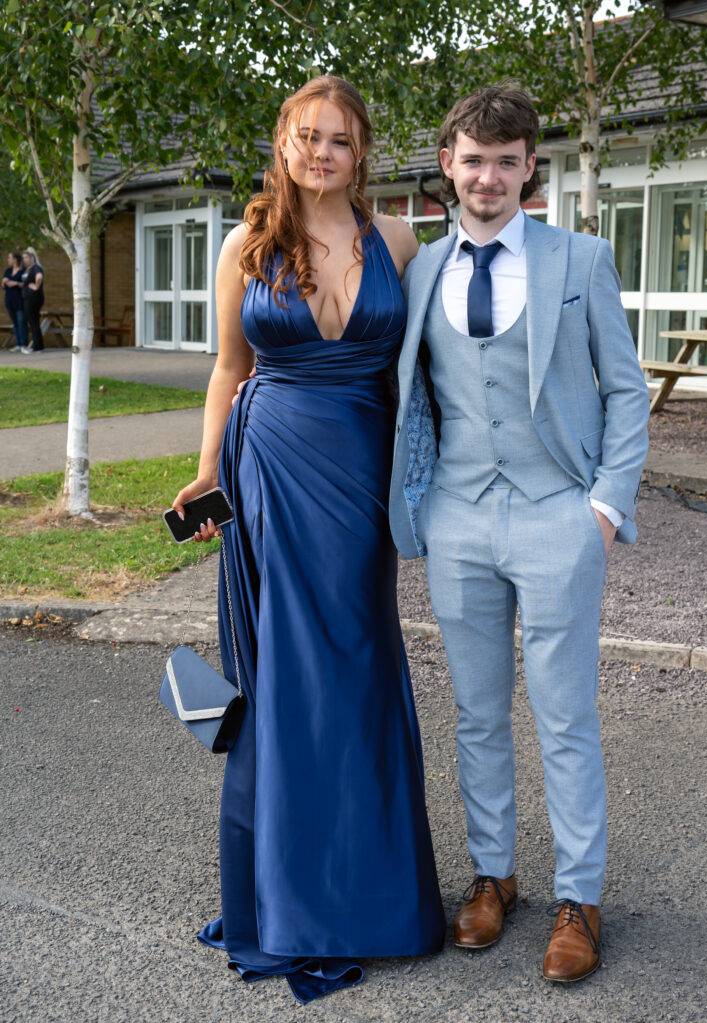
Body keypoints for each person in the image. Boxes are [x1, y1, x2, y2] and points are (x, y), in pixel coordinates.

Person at [172, 76, 445, 1004]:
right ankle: (292, 903)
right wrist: (206, 472)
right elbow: (228, 368)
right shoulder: (245, 246)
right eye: (305, 136)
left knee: (362, 663)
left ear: (361, 151)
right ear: (282, 145)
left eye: (338, 139)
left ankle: (373, 892)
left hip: (363, 473)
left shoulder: (399, 240)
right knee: (288, 672)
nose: (320, 152)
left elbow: (428, 368)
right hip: (271, 470)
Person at [389, 86, 649, 983]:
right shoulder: (421, 270)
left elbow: (626, 391)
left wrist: (604, 510)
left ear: (531, 166)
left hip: (556, 513)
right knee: (476, 711)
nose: (489, 178)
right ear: (448, 166)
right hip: (457, 513)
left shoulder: (581, 259)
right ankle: (493, 875)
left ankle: (579, 897)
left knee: (565, 714)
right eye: (474, 160)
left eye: (507, 161)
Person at [20, 248, 44, 352]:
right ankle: (38, 345)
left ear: (32, 257)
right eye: (23, 258)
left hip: (33, 298)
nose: (24, 259)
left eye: (26, 257)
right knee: (33, 321)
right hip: (28, 298)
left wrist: (36, 286)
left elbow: (39, 277)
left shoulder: (36, 267)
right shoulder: (28, 269)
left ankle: (37, 347)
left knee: (34, 322)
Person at [2, 251, 27, 351]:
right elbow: (3, 285)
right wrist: (4, 282)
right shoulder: (8, 270)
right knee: (15, 323)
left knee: (21, 322)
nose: (8, 259)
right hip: (9, 299)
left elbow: (26, 284)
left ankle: (23, 345)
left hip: (19, 300)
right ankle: (18, 344)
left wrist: (15, 283)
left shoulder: (23, 270)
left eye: (9, 257)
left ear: (15, 259)